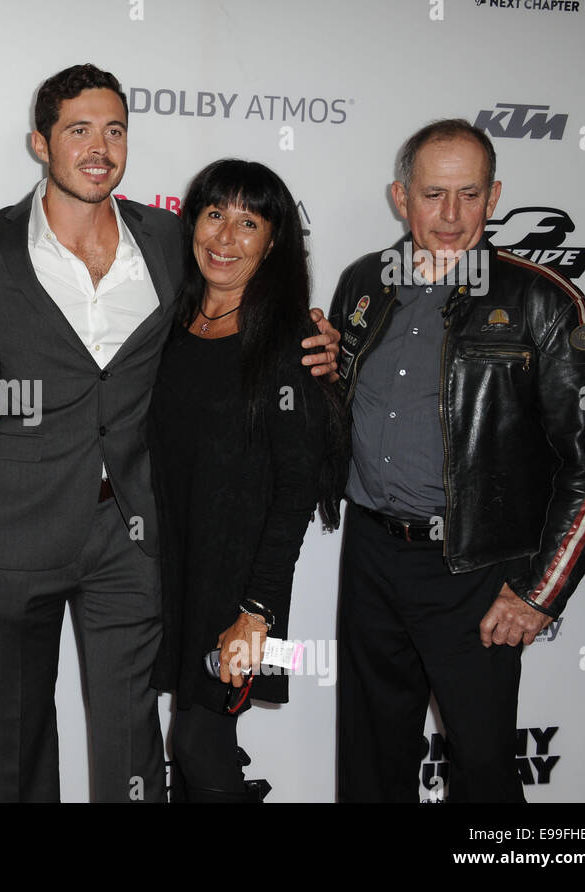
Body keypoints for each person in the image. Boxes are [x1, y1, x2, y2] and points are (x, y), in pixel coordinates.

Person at [0, 64, 340, 802]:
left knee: (133, 735)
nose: (99, 147)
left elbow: (242, 318)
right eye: (78, 129)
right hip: (19, 522)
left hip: (131, 532)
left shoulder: (169, 239)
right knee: (20, 729)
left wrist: (321, 342)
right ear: (40, 142)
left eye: (114, 130)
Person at [331, 119, 585, 802]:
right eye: (434, 194)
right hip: (372, 555)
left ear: (495, 197)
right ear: (400, 196)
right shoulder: (363, 283)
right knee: (370, 767)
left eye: (470, 194)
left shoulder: (543, 300)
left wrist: (540, 593)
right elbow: (342, 407)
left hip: (475, 570)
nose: (452, 216)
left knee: (485, 773)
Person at [148, 159, 345, 802]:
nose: (225, 238)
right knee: (196, 743)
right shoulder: (172, 325)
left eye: (248, 222)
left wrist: (256, 614)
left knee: (201, 748)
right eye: (214, 214)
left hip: (243, 596)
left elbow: (294, 493)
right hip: (175, 573)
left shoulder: (290, 342)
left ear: (273, 241)